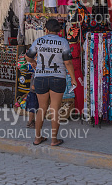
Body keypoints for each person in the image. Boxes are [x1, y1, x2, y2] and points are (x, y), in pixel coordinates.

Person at [25, 18, 77, 146]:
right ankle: (54, 140)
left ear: (46, 30)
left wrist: (34, 63)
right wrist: (73, 78)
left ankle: (37, 138)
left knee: (41, 108)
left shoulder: (38, 41)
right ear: (58, 30)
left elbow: (28, 56)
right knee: (55, 109)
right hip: (58, 78)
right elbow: (68, 62)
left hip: (41, 78)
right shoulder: (63, 42)